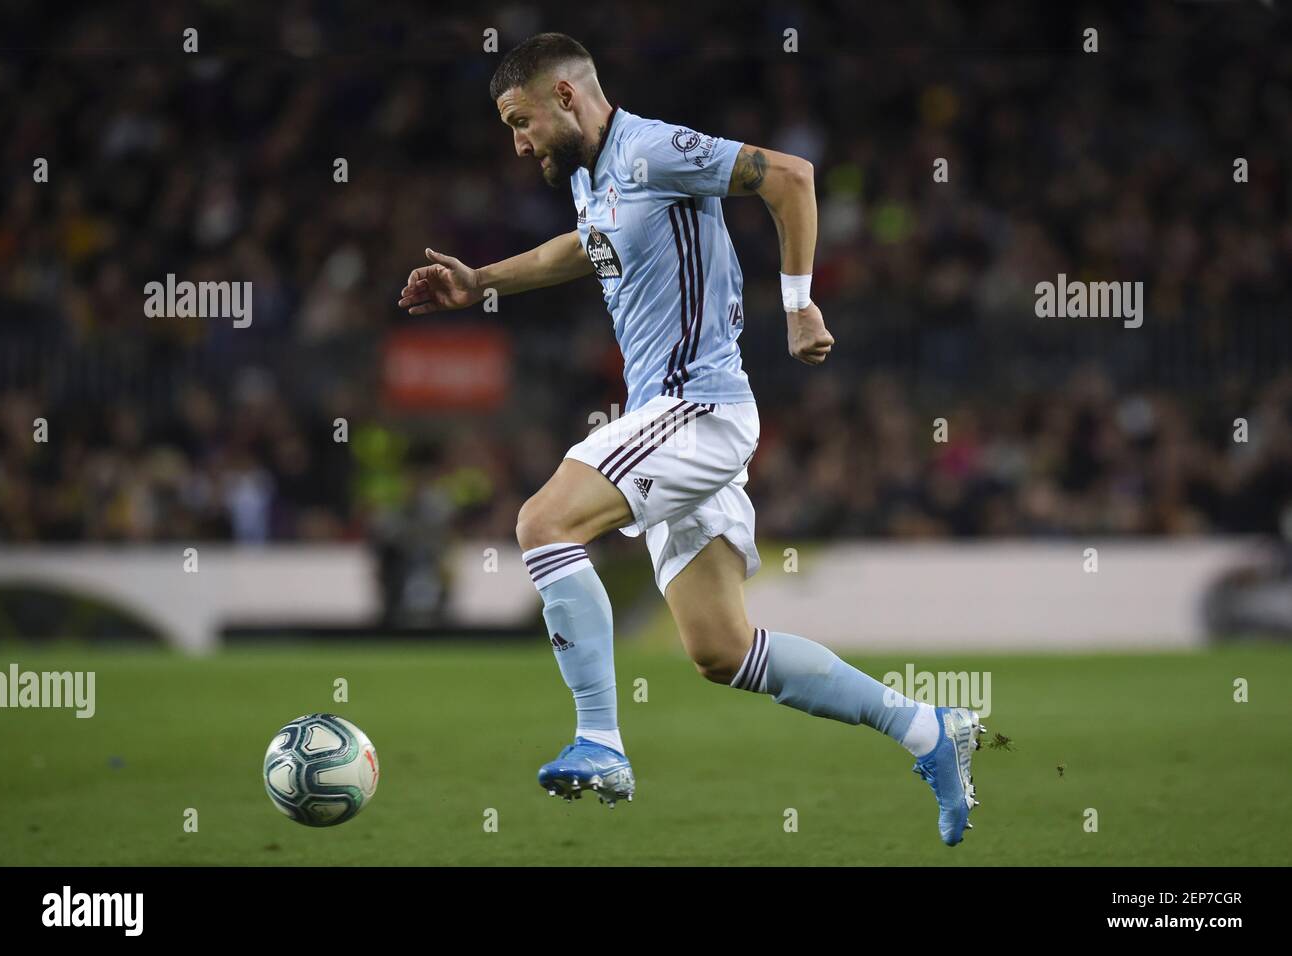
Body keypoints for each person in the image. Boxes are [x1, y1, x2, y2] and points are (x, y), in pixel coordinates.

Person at [398, 32, 983, 844]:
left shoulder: (654, 148)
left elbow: (789, 176)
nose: (519, 141)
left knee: (542, 523)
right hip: (673, 417)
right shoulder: (593, 177)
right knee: (722, 649)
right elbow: (588, 247)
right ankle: (928, 730)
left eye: (519, 119)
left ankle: (600, 740)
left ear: (566, 96)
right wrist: (484, 280)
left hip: (695, 407)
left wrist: (800, 303)